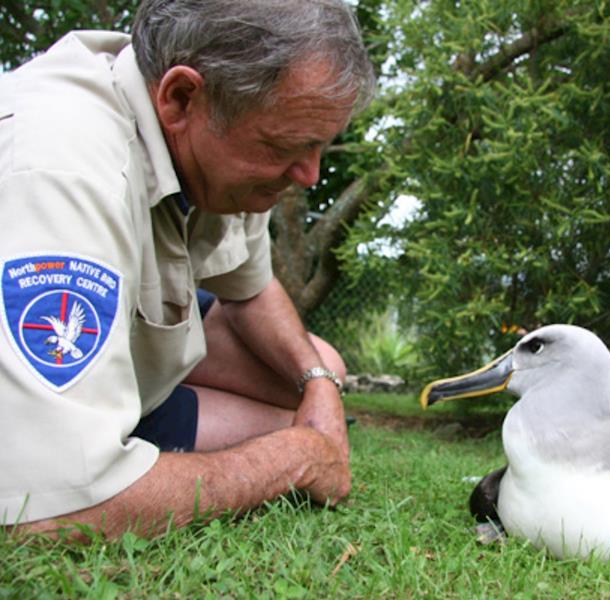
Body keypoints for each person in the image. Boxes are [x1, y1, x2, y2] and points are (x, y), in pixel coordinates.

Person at [0, 0, 375, 540]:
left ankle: (126, 426)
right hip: (34, 403)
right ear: (181, 98)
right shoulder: (62, 168)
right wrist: (290, 461)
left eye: (317, 147)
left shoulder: (218, 146)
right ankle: (103, 433)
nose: (309, 175)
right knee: (300, 437)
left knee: (326, 368)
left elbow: (249, 290)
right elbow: (46, 510)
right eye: (283, 146)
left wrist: (316, 384)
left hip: (134, 347)